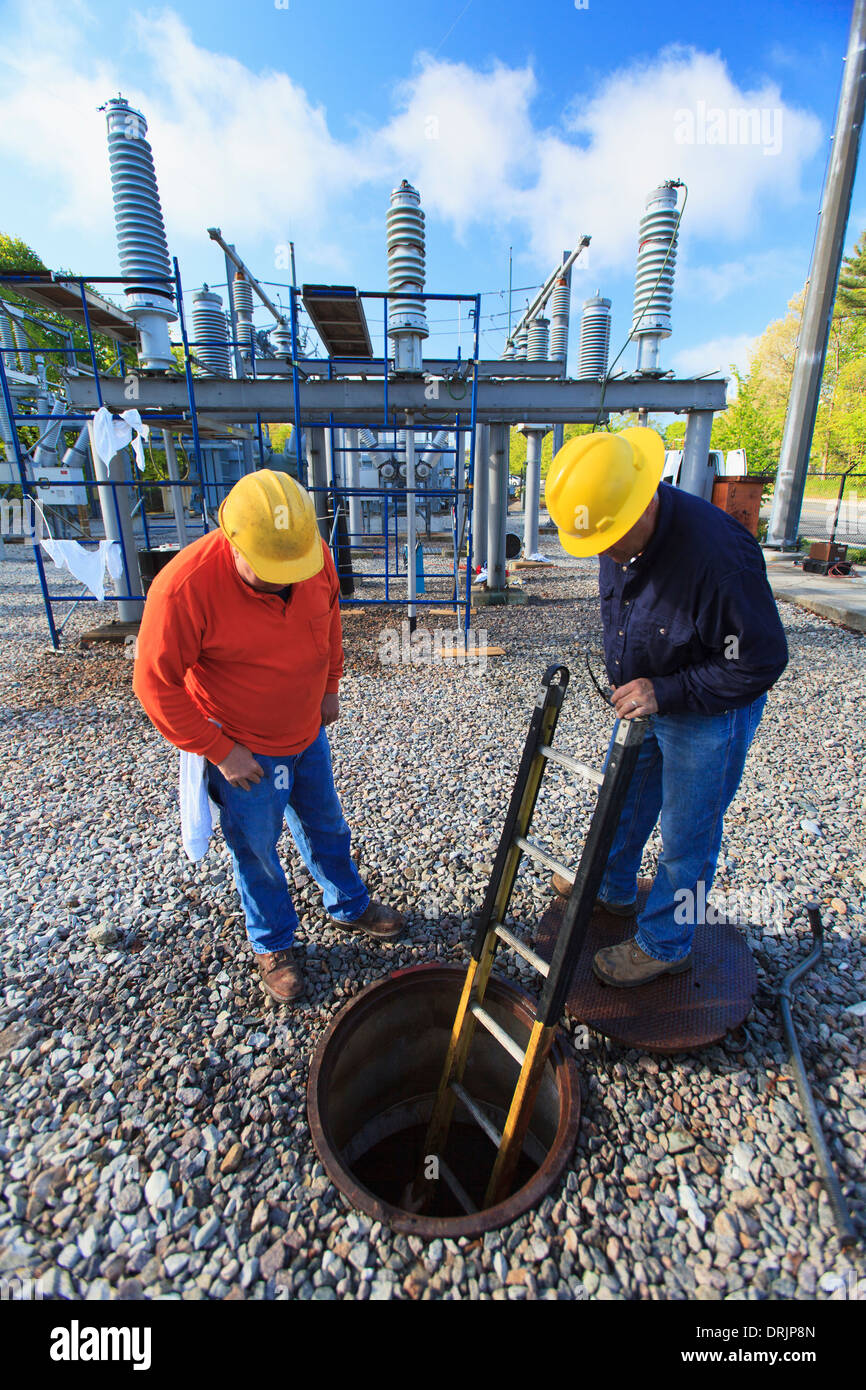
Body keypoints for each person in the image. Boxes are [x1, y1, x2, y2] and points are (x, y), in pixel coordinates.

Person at [133, 469, 403, 1004]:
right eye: (269, 570)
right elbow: (154, 683)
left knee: (327, 824)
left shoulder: (310, 552)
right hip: (244, 746)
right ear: (232, 539)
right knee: (256, 848)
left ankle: (347, 903)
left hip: (307, 731)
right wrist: (220, 751)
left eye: (292, 568)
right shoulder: (183, 587)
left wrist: (330, 684)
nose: (284, 580)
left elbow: (328, 619)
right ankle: (273, 941)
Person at [544, 428, 788, 987]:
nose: (602, 552)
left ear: (642, 504)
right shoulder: (619, 529)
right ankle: (611, 885)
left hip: (708, 711)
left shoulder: (719, 557)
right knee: (624, 798)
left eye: (608, 539)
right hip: (647, 695)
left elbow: (758, 662)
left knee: (689, 836)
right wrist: (636, 681)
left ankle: (667, 942)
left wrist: (665, 691)